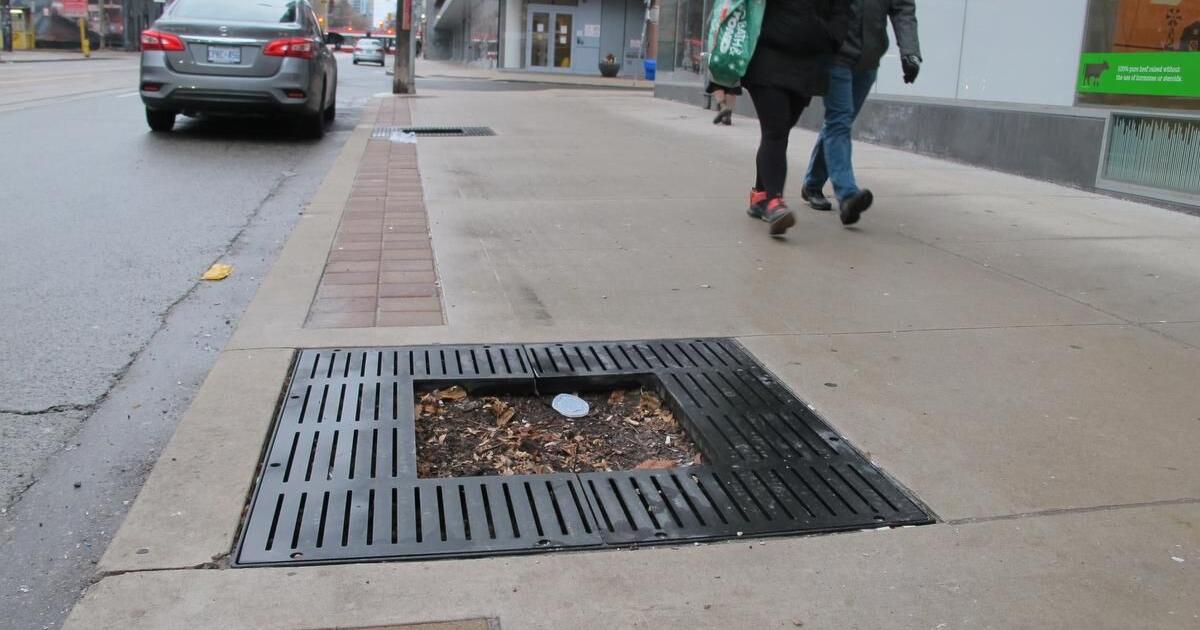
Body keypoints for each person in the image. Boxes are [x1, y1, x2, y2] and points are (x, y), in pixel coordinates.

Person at [801, 0, 921, 226]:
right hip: (836, 55)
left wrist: (910, 52)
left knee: (839, 123)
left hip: (868, 59)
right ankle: (847, 195)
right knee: (839, 121)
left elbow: (902, 8)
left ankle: (812, 184)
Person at [742, 0, 851, 236]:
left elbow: (841, 12)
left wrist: (827, 34)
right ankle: (774, 202)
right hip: (767, 60)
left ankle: (760, 194)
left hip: (807, 69)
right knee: (776, 130)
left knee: (779, 132)